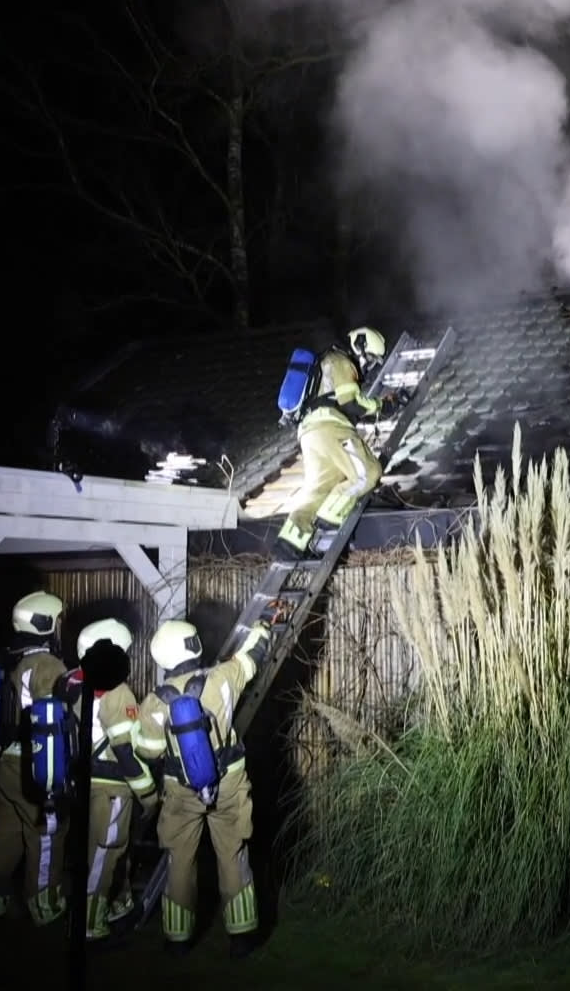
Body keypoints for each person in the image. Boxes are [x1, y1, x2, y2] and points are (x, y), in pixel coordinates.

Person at [131, 617, 273, 958]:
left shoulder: (154, 701)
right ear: (193, 646)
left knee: (179, 859)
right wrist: (264, 626)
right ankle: (241, 936)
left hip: (180, 790)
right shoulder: (222, 678)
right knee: (232, 854)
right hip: (228, 783)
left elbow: (147, 750)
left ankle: (177, 939)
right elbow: (252, 656)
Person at [0, 590, 72, 926]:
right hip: (33, 764)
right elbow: (57, 718)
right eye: (58, 620)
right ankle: (45, 904)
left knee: (6, 832)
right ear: (47, 623)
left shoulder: (8, 659)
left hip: (2, 762)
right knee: (47, 833)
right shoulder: (47, 665)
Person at [62, 617, 158, 943]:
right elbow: (126, 753)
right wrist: (148, 795)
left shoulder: (71, 684)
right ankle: (91, 923)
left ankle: (118, 902)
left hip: (84, 784)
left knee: (98, 851)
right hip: (113, 789)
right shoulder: (119, 693)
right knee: (106, 853)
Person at [273, 327, 391, 560]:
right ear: (360, 346)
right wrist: (383, 406)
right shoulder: (340, 361)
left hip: (310, 433)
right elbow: (351, 403)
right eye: (370, 359)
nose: (368, 366)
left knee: (319, 487)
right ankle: (329, 521)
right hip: (332, 428)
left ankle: (289, 544)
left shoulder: (326, 362)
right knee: (368, 472)